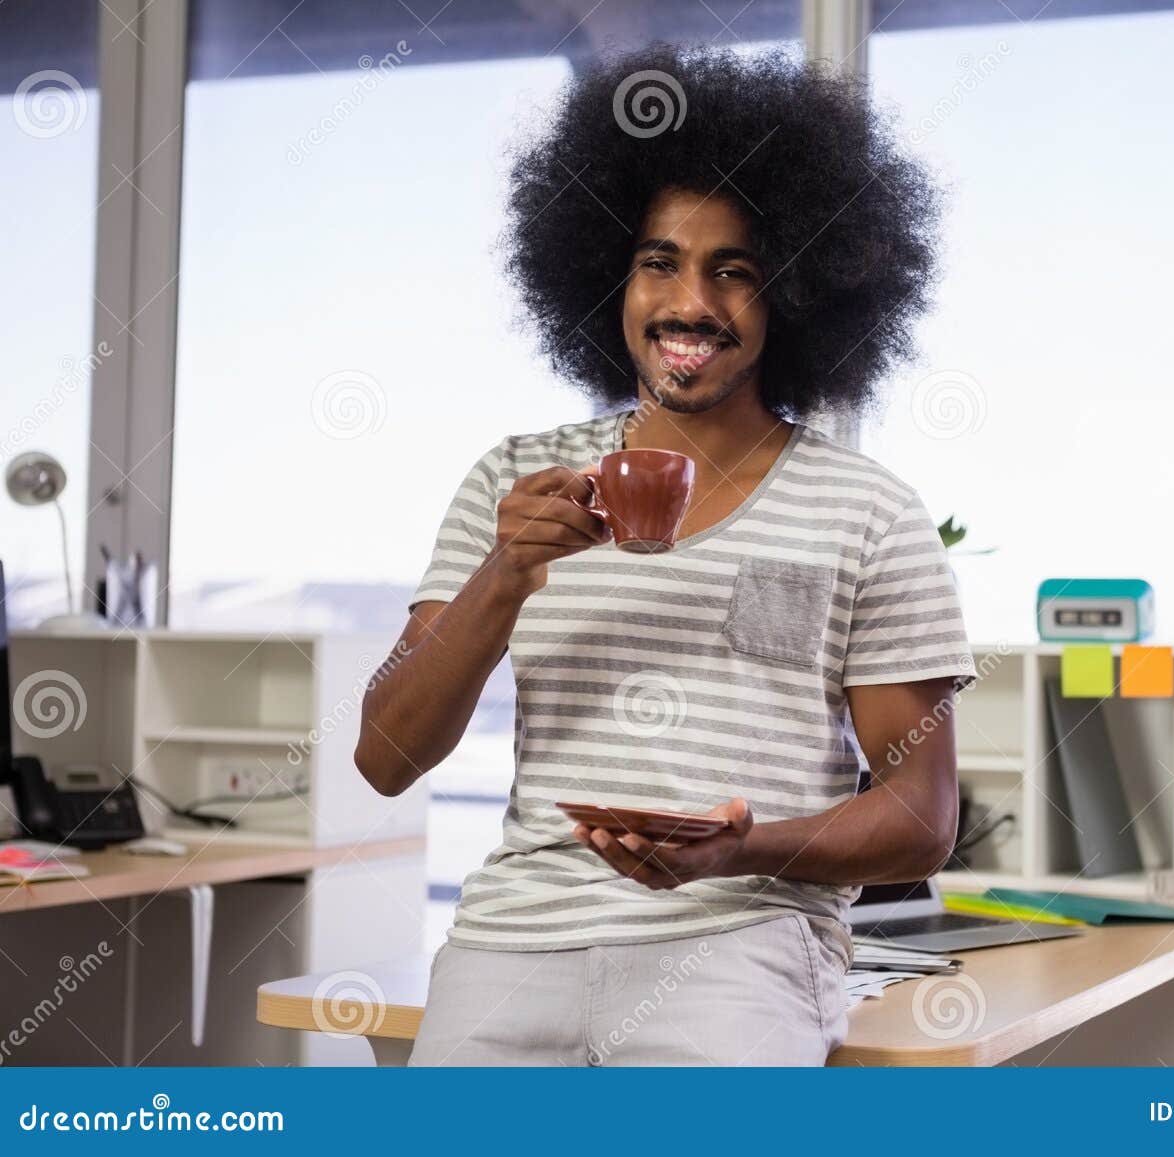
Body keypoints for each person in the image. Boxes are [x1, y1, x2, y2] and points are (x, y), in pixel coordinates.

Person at [356, 43, 972, 1066]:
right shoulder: (515, 482)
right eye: (660, 263)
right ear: (610, 277)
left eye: (735, 272)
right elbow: (384, 754)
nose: (692, 304)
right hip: (511, 941)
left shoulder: (867, 510)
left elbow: (920, 815)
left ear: (798, 297)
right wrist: (504, 574)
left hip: (738, 944)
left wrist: (744, 848)